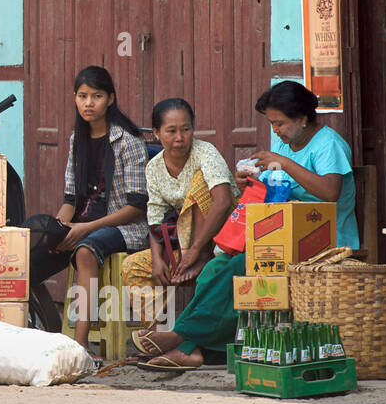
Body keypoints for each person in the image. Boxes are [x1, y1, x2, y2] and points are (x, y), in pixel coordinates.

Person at [136, 80, 357, 371]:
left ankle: (183, 338)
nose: (275, 131)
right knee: (215, 268)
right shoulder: (285, 144)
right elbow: (274, 188)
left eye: (280, 123)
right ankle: (195, 348)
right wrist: (248, 181)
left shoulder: (328, 144)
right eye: (272, 123)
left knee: (238, 268)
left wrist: (283, 163)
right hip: (279, 239)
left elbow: (330, 191)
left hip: (323, 243)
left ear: (302, 118)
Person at [34, 65, 149, 355]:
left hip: (125, 228)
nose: (89, 103)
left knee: (85, 251)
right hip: (83, 225)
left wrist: (86, 229)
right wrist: (57, 231)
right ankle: (45, 333)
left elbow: (136, 207)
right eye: (83, 96)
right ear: (75, 98)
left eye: (96, 96)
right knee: (31, 255)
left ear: (110, 99)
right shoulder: (78, 140)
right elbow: (70, 200)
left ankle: (81, 346)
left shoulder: (128, 142)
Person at [120, 98, 239, 327]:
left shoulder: (205, 153)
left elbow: (223, 202)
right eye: (171, 131)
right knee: (133, 267)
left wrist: (196, 251)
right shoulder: (154, 167)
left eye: (186, 130)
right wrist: (157, 260)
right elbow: (155, 218)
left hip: (223, 241)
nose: (179, 138)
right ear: (156, 133)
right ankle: (159, 334)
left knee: (200, 184)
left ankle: (205, 256)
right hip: (186, 247)